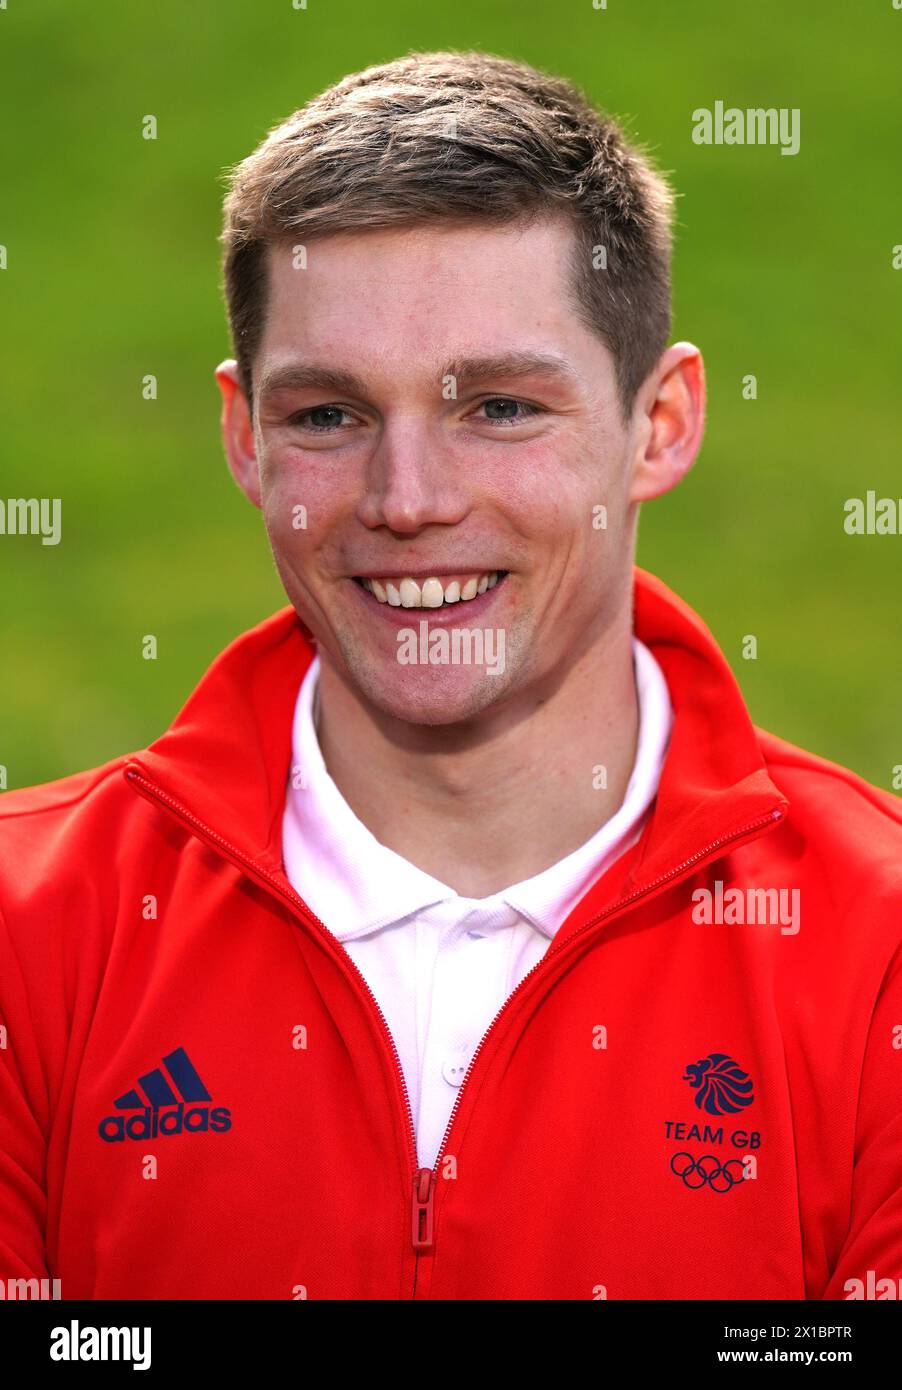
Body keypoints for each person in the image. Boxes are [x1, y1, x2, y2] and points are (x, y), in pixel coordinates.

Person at [1, 50, 900, 1302]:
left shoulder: (877, 948)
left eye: (498, 408)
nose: (406, 501)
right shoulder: (25, 929)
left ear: (661, 423)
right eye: (327, 415)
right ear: (243, 438)